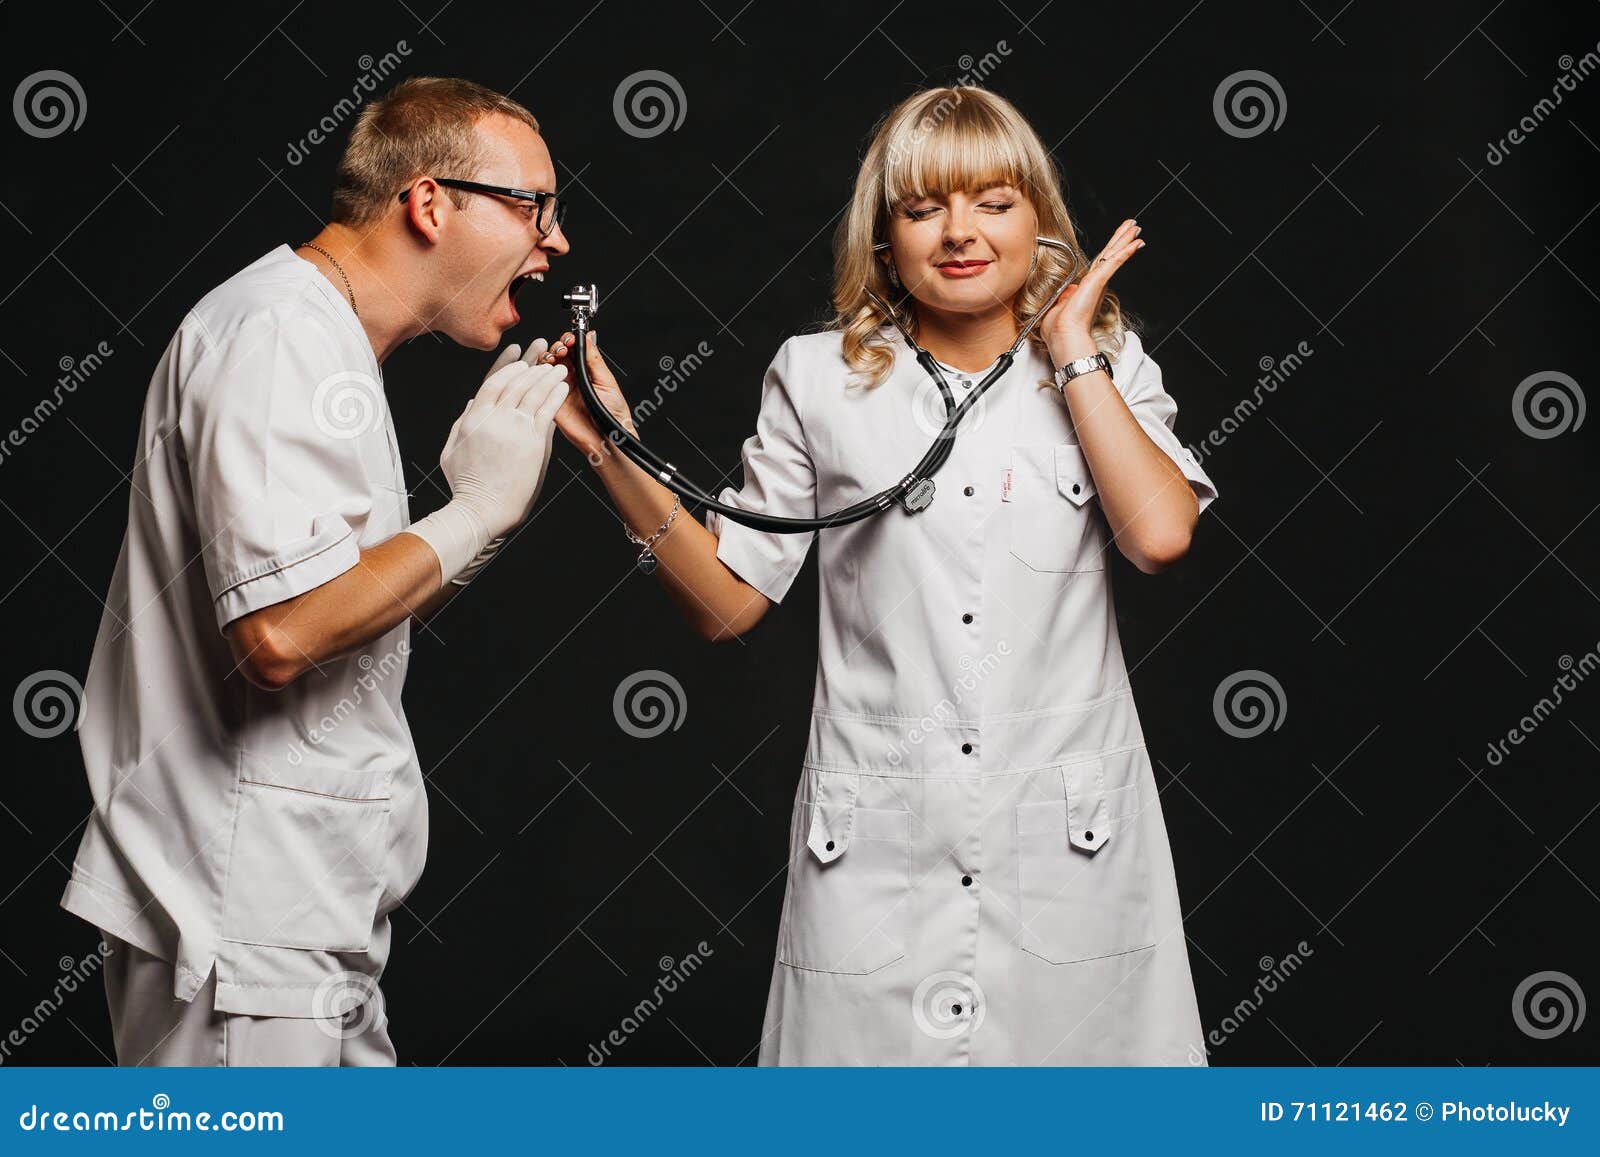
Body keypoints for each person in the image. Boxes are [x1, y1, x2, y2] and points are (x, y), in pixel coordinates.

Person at [548, 86, 1219, 1064]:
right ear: (883, 231)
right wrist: (616, 453)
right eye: (922, 207)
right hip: (876, 843)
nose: (959, 233)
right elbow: (726, 604)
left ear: (1037, 219)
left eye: (992, 202)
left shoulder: (1107, 361)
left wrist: (1073, 354)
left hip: (1071, 847)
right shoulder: (817, 375)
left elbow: (1159, 535)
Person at [62, 77, 572, 1065]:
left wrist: (474, 521)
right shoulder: (282, 332)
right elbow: (281, 636)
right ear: (430, 203)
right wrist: (472, 510)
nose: (556, 241)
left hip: (299, 925)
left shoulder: (323, 338)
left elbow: (331, 610)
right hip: (243, 926)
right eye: (533, 207)